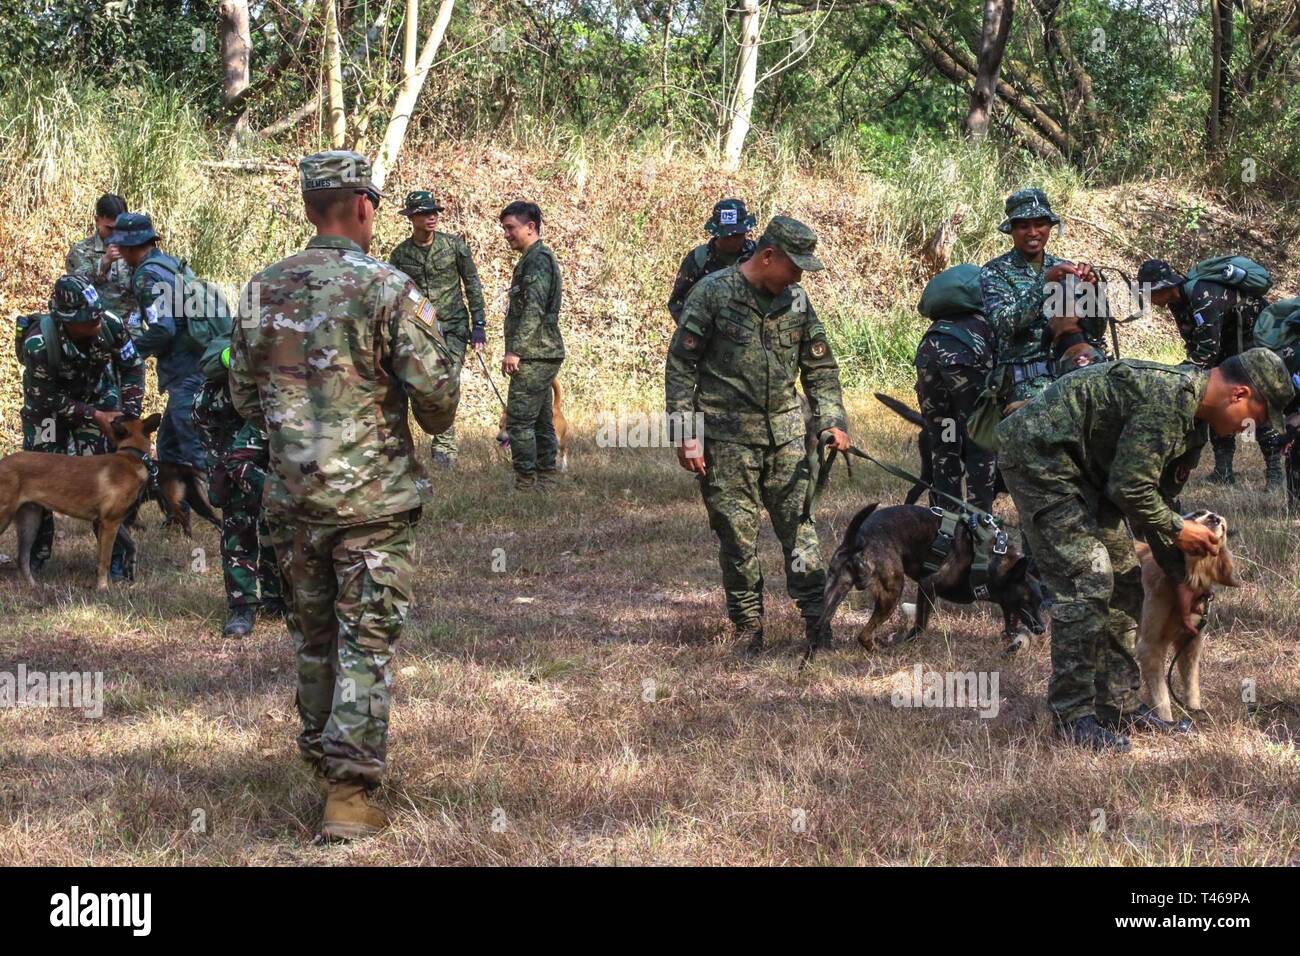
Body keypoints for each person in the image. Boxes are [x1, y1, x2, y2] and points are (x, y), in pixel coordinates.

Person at [230, 150, 459, 842]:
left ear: (308, 208)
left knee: (313, 639)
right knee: (365, 641)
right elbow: (438, 402)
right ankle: (349, 792)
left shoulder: (261, 291)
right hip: (373, 508)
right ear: (364, 206)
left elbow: (242, 394)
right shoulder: (390, 287)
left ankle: (324, 760)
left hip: (292, 501)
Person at [997, 350, 1295, 752]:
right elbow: (1130, 490)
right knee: (1089, 575)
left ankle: (1118, 706)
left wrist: (1181, 580)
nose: (1249, 428)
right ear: (1238, 394)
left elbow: (1155, 507)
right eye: (1255, 418)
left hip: (1090, 470)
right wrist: (1178, 530)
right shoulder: (1168, 400)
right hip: (1041, 455)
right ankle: (1072, 716)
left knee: (1125, 578)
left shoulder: (1195, 424)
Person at [665, 216, 850, 653]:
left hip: (786, 439)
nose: (800, 276)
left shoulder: (798, 302)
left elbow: (820, 370)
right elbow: (681, 367)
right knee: (737, 536)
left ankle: (816, 621)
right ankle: (748, 626)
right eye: (796, 266)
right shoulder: (712, 294)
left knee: (800, 532)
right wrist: (686, 433)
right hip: (726, 443)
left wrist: (832, 420)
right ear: (768, 256)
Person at [18, 275, 144, 579]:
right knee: (41, 471)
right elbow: (46, 397)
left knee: (105, 477)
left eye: (98, 314)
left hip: (99, 401)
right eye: (89, 319)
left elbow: (132, 366)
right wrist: (92, 415)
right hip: (48, 412)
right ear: (67, 321)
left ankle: (115, 557)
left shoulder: (110, 324)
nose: (97, 322)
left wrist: (126, 415)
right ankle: (36, 554)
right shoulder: (39, 342)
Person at [1138, 258, 1282, 489]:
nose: (1148, 300)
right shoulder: (1179, 301)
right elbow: (1194, 341)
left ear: (1163, 287)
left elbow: (1207, 351)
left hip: (1250, 339)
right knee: (1214, 399)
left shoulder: (1203, 295)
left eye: (1148, 293)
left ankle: (1275, 472)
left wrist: (1178, 375)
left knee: (1250, 403)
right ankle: (1223, 470)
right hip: (1226, 341)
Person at [192, 337, 286, 638]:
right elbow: (211, 433)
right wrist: (222, 466)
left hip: (274, 433)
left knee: (276, 520)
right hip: (228, 435)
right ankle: (242, 605)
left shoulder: (286, 370)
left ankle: (276, 597)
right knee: (239, 519)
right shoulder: (214, 391)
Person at [980, 188, 1104, 411]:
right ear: (1012, 229)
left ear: (1050, 227)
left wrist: (1091, 290)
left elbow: (1095, 330)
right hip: (1027, 379)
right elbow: (1003, 325)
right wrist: (1044, 285)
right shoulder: (995, 272)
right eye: (1023, 226)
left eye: (1040, 224)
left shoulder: (1065, 267)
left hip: (1075, 365)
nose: (1033, 232)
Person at [389, 191, 487, 468]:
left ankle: (444, 447)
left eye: (434, 212)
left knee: (448, 379)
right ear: (412, 218)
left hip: (454, 326)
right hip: (421, 330)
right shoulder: (401, 254)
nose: (432, 217)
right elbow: (396, 294)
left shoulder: (454, 246)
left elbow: (472, 284)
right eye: (424, 213)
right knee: (419, 384)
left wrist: (479, 324)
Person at [109, 212, 209, 476]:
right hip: (201, 359)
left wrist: (130, 353)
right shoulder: (172, 265)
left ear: (129, 247)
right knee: (169, 445)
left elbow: (162, 329)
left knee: (192, 444)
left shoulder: (146, 276)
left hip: (186, 370)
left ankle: (226, 509)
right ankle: (178, 514)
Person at [914, 264, 997, 511]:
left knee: (943, 442)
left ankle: (945, 520)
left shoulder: (940, 323)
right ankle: (980, 522)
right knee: (978, 443)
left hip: (928, 357)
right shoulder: (989, 320)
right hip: (966, 362)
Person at [499, 200, 564, 490]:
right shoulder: (532, 258)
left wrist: (515, 350)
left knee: (519, 421)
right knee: (539, 421)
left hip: (535, 354)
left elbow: (534, 309)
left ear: (531, 227)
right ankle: (546, 480)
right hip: (540, 352)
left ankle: (526, 483)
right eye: (504, 229)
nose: (507, 234)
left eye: (511, 228)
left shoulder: (538, 260)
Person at [667, 199, 758, 323]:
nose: (732, 241)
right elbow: (677, 303)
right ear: (717, 233)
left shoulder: (757, 255)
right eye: (727, 236)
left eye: (737, 235)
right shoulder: (698, 259)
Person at [65, 193, 137, 321]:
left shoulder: (135, 247)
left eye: (119, 228)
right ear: (97, 220)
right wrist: (104, 262)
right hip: (97, 326)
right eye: (110, 228)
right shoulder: (81, 251)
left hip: (132, 326)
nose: (115, 233)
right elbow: (77, 288)